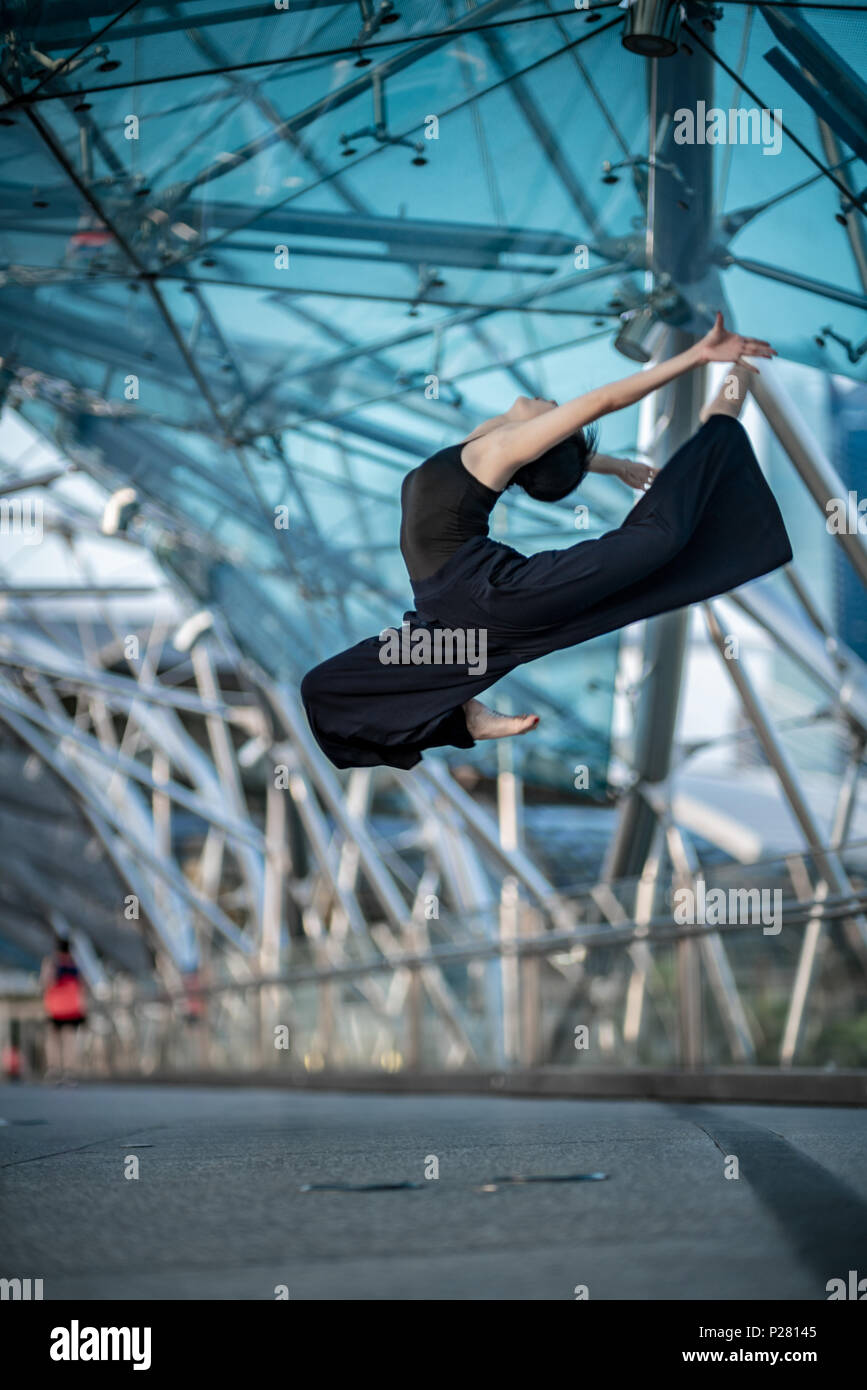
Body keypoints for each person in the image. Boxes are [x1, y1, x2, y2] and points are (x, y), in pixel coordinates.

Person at [301, 313, 792, 770]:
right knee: (323, 690)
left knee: (656, 541)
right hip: (450, 617)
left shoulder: (494, 449)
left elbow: (600, 404)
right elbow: (573, 424)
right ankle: (459, 719)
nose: (559, 407)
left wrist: (699, 357)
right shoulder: (489, 440)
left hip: (488, 597)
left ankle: (722, 419)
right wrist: (614, 463)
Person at [40, 936, 87, 1081]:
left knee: (54, 1041)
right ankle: (68, 1070)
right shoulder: (76, 964)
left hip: (55, 1008)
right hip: (71, 1009)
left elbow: (45, 982)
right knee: (69, 1041)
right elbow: (83, 987)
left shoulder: (52, 963)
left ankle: (55, 1069)